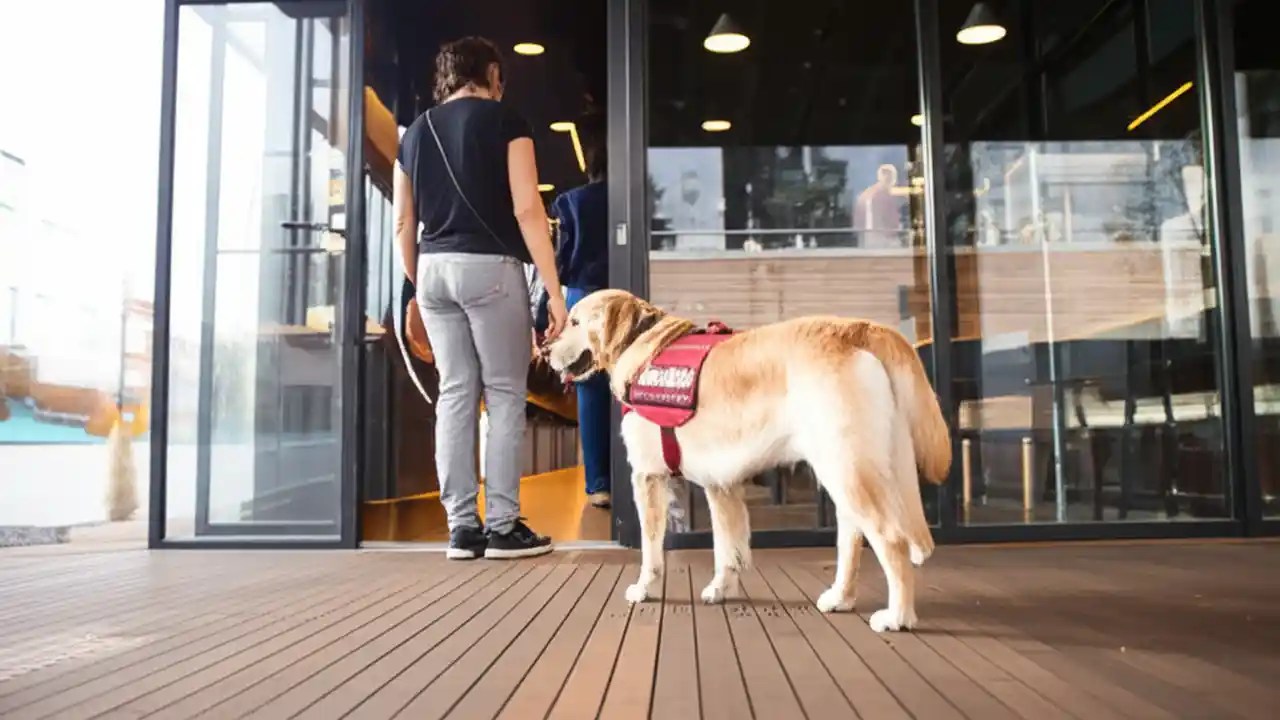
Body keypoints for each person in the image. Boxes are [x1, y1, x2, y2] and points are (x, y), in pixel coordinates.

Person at [394, 37, 568, 560]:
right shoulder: (506, 122)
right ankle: (504, 525)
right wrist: (555, 294)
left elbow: (404, 221)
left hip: (432, 270)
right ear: (491, 73)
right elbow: (527, 212)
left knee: (455, 393)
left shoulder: (416, 133)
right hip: (490, 268)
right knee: (506, 393)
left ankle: (461, 528)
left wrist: (418, 284)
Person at [549, 129, 611, 509]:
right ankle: (634, 471)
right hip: (627, 295)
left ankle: (598, 483)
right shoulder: (633, 199)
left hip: (583, 295)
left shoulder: (570, 202)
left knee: (589, 387)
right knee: (632, 384)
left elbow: (561, 259)